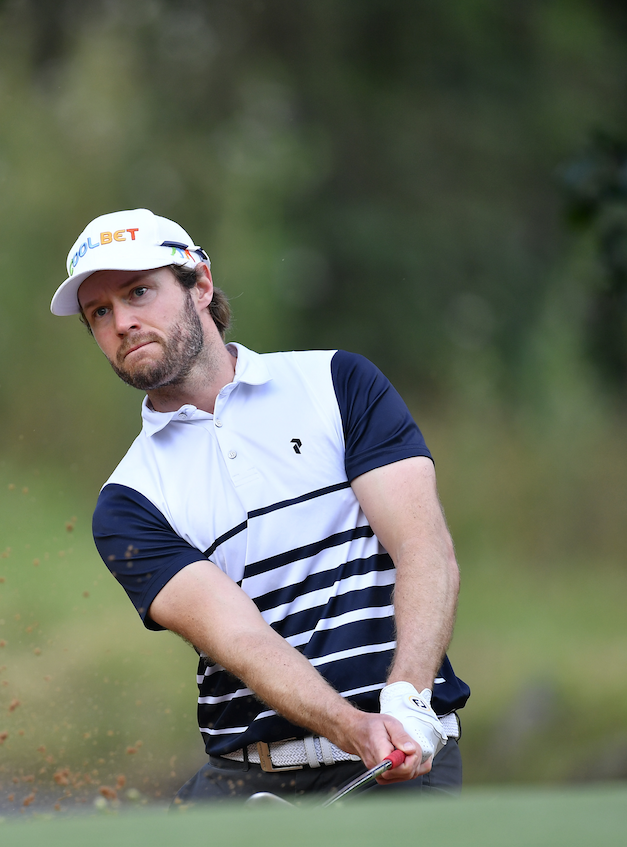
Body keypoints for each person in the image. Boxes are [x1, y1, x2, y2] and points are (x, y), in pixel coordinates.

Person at [50, 209, 469, 804]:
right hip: (254, 781)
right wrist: (355, 729)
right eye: (100, 312)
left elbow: (425, 552)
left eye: (139, 292)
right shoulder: (128, 502)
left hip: (407, 758)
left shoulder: (337, 383)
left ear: (200, 284)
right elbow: (242, 640)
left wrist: (407, 697)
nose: (123, 322)